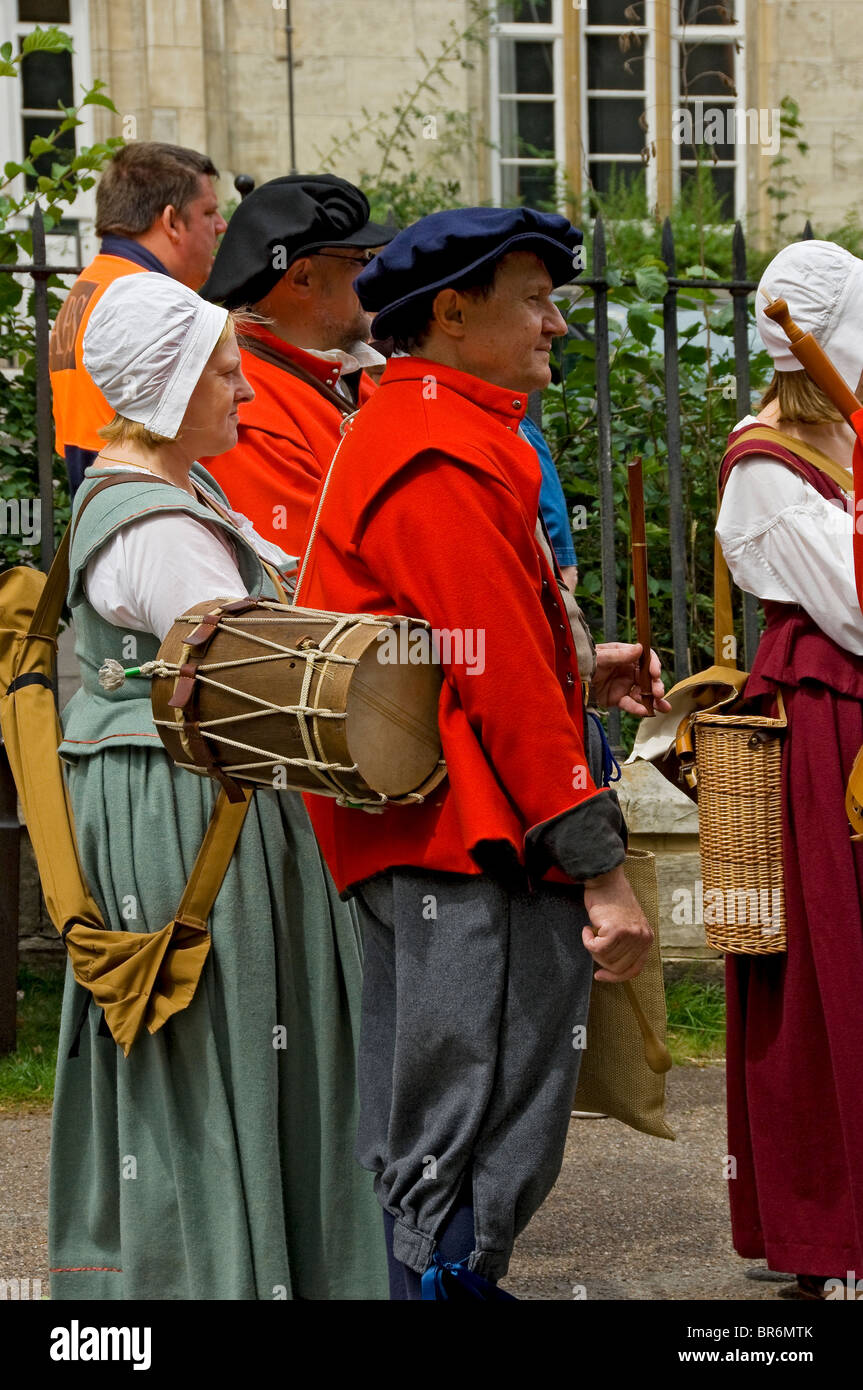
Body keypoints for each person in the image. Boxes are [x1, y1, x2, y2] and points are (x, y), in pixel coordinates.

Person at [293, 206, 669, 1298]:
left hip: (455, 837)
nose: (555, 325)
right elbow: (494, 680)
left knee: (448, 1126)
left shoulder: (425, 425)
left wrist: (575, 665)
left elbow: (462, 647)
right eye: (534, 303)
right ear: (451, 313)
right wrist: (601, 869)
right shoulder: (436, 447)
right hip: (470, 848)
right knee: (467, 1128)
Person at [48, 272, 387, 1301]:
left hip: (204, 800)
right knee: (224, 1040)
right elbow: (263, 677)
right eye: (226, 375)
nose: (245, 395)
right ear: (171, 385)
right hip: (192, 813)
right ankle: (225, 1279)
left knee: (250, 1038)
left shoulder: (178, 493)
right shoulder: (152, 526)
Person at [716, 239, 863, 1300]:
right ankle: (832, 1227)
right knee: (823, 970)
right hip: (823, 728)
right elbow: (854, 604)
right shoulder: (765, 462)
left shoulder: (845, 441)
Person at [199, 175, 395, 551]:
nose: (373, 275)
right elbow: (302, 582)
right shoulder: (246, 412)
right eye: (361, 261)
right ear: (302, 276)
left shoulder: (341, 372)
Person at [49, 141, 228, 497]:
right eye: (209, 213)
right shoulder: (145, 303)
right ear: (172, 222)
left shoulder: (90, 286)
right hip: (147, 497)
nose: (222, 226)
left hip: (105, 492)